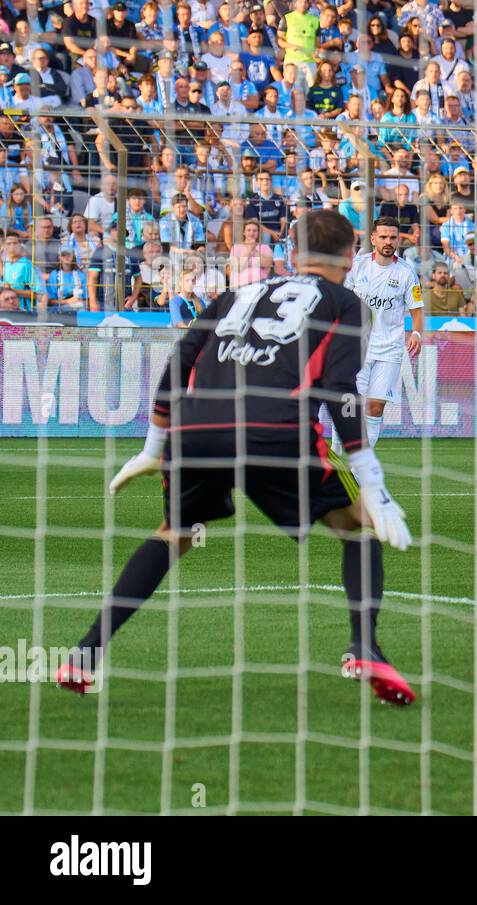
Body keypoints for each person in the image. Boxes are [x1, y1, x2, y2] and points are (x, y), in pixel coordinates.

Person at [56, 210, 416, 704]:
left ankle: (85, 654)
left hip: (198, 428)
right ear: (351, 254)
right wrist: (372, 482)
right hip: (276, 429)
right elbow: (339, 392)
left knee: (174, 536)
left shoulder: (235, 294)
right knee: (357, 528)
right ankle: (364, 647)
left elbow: (180, 359)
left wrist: (153, 446)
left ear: (293, 252)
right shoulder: (345, 302)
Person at [337, 217, 425, 450]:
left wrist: (416, 333)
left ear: (398, 240)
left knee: (375, 407)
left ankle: (359, 470)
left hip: (390, 349)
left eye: (393, 237)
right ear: (374, 238)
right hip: (356, 347)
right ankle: (336, 455)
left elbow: (417, 309)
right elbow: (339, 299)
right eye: (383, 237)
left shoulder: (406, 273)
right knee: (349, 406)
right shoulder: (358, 266)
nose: (388, 241)